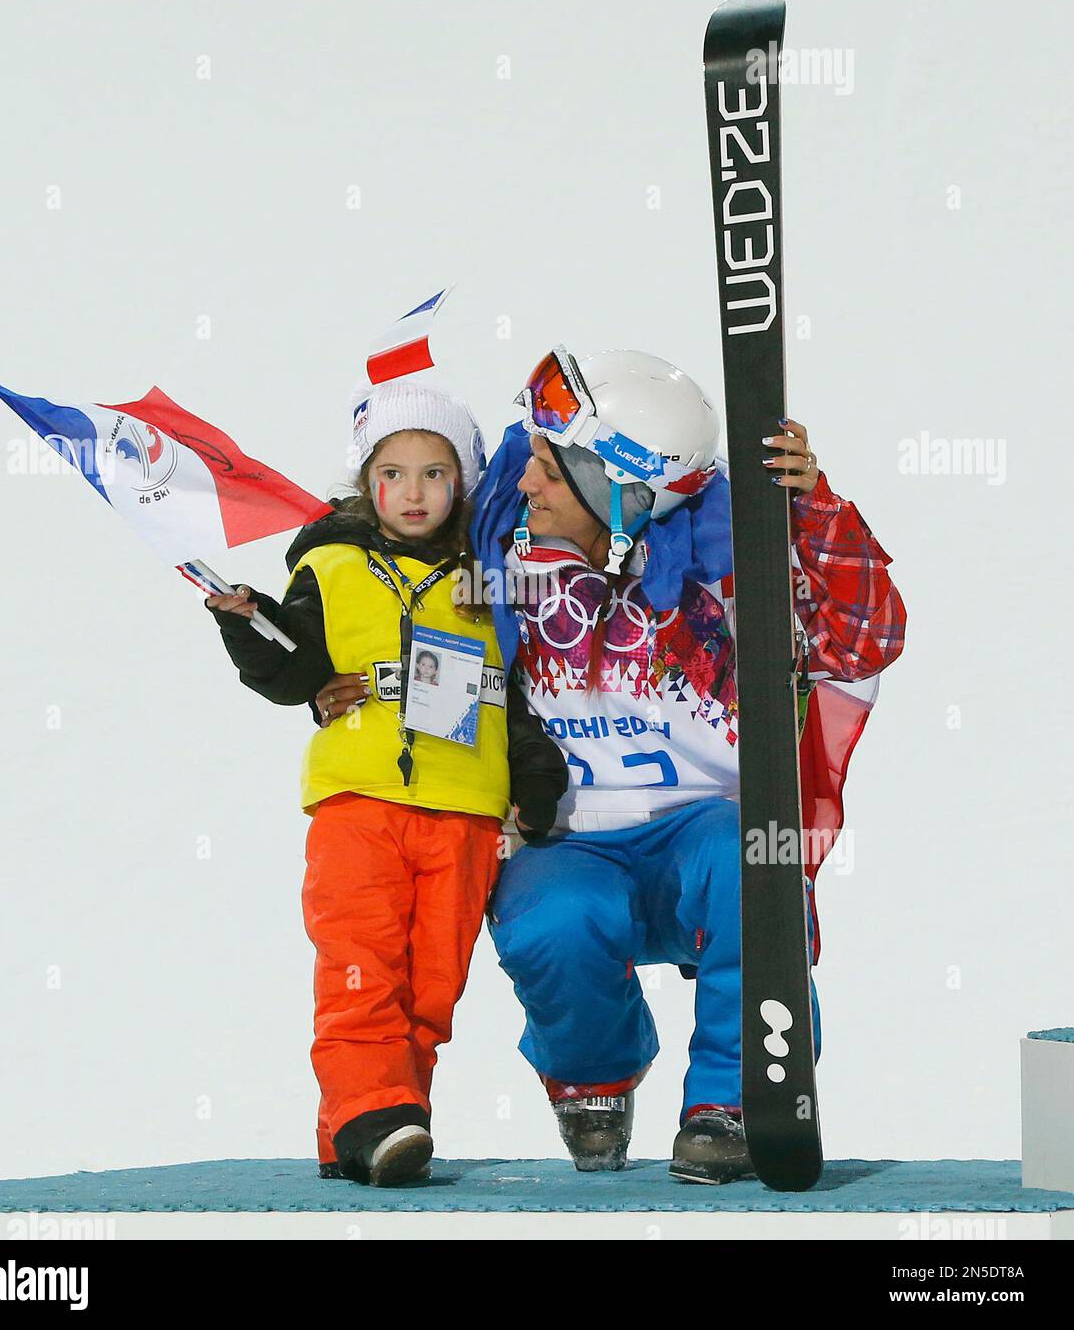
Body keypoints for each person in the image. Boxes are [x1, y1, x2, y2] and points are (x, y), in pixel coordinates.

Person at [463, 345, 908, 1183]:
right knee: (552, 924)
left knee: (752, 869)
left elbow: (861, 638)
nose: (527, 482)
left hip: (707, 823)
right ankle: (592, 1076)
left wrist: (809, 509)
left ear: (620, 491)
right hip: (570, 838)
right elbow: (408, 526)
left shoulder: (727, 557)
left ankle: (730, 1100)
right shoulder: (498, 538)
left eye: (553, 475)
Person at [206, 374, 566, 1186]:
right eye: (392, 473)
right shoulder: (330, 566)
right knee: (361, 964)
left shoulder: (488, 578)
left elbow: (516, 694)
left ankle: (370, 1133)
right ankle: (377, 1117)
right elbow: (294, 668)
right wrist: (248, 624)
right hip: (359, 800)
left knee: (431, 984)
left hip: (464, 810)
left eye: (434, 473)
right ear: (366, 482)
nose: (412, 492)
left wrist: (533, 783)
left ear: (463, 484)